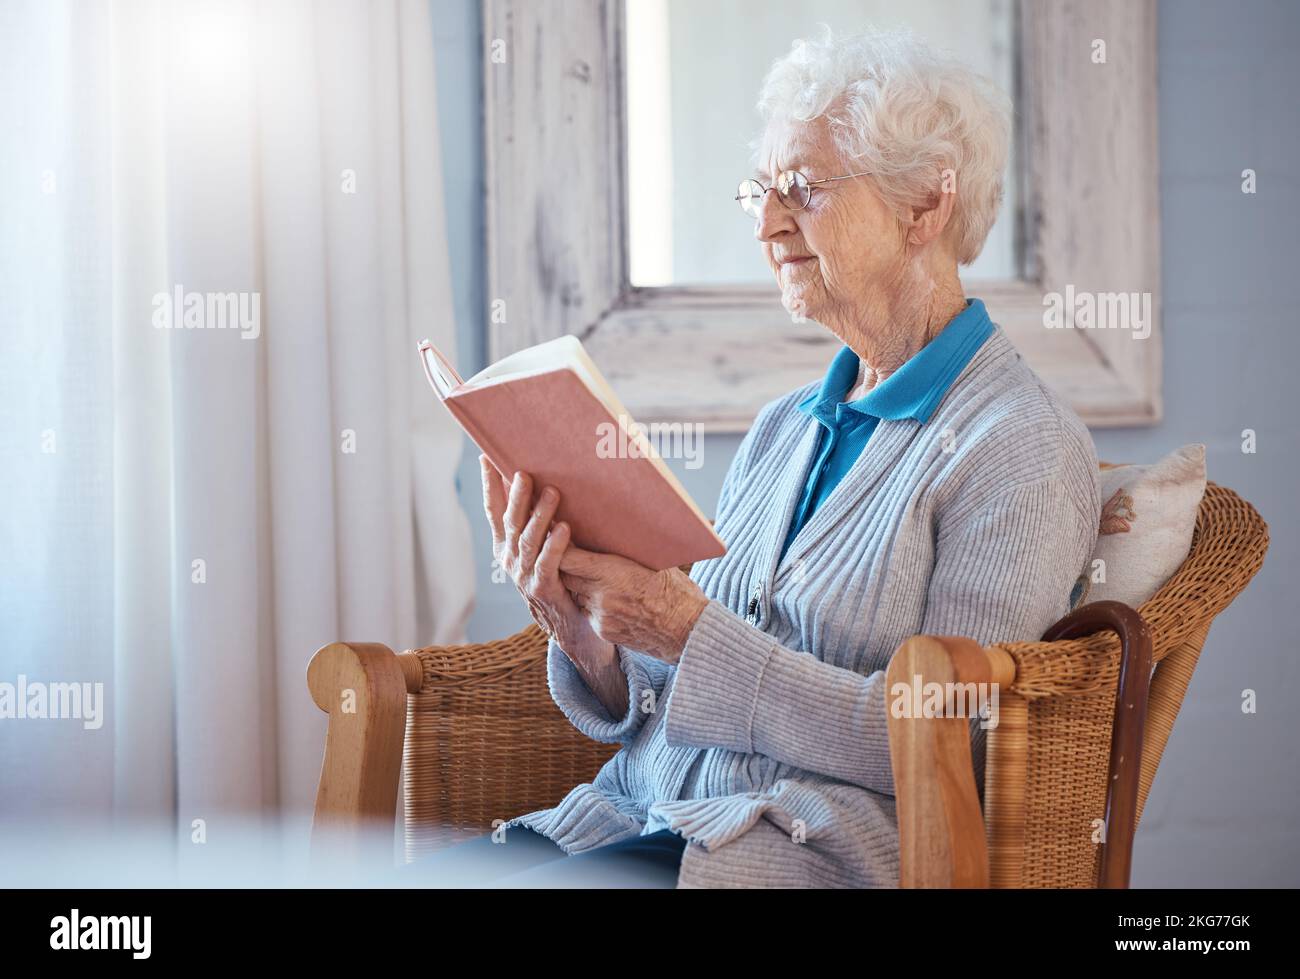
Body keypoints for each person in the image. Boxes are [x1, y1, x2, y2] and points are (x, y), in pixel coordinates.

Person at [415, 24, 1100, 889]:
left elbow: (948, 741)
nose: (769, 224)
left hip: (794, 855)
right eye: (761, 192)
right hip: (630, 818)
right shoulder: (786, 427)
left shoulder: (1020, 446)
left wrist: (688, 627)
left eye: (804, 190)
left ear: (927, 203)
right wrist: (583, 630)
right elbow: (673, 700)